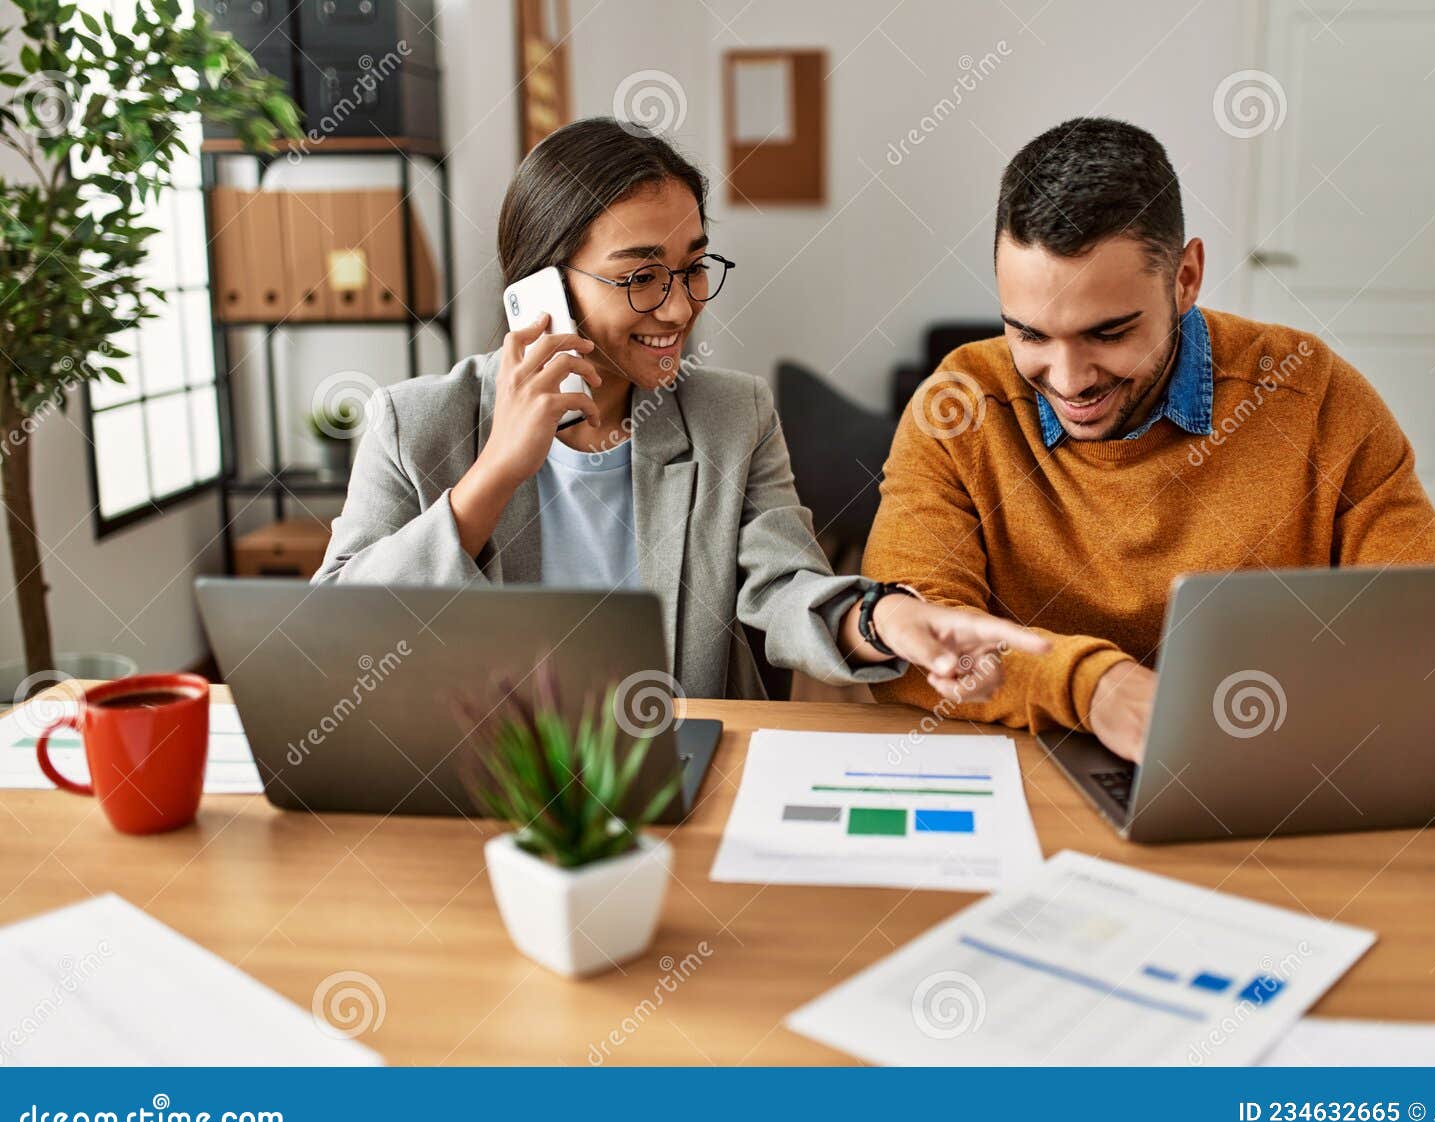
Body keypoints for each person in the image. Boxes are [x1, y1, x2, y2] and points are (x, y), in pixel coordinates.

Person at [313, 117, 1043, 703]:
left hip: (676, 776)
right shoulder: (415, 425)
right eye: (640, 277)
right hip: (477, 783)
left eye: (693, 267)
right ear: (539, 290)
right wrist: (495, 473)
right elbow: (335, 636)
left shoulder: (733, 415)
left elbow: (786, 584)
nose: (680, 305)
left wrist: (885, 619)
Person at [862, 117, 1435, 759]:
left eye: (1108, 333)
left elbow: (1430, 627)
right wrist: (1094, 688)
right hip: (1030, 774)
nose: (1069, 382)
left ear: (1186, 278)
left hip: (1265, 768)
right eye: (1030, 335)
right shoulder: (958, 409)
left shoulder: (1311, 395)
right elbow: (915, 646)